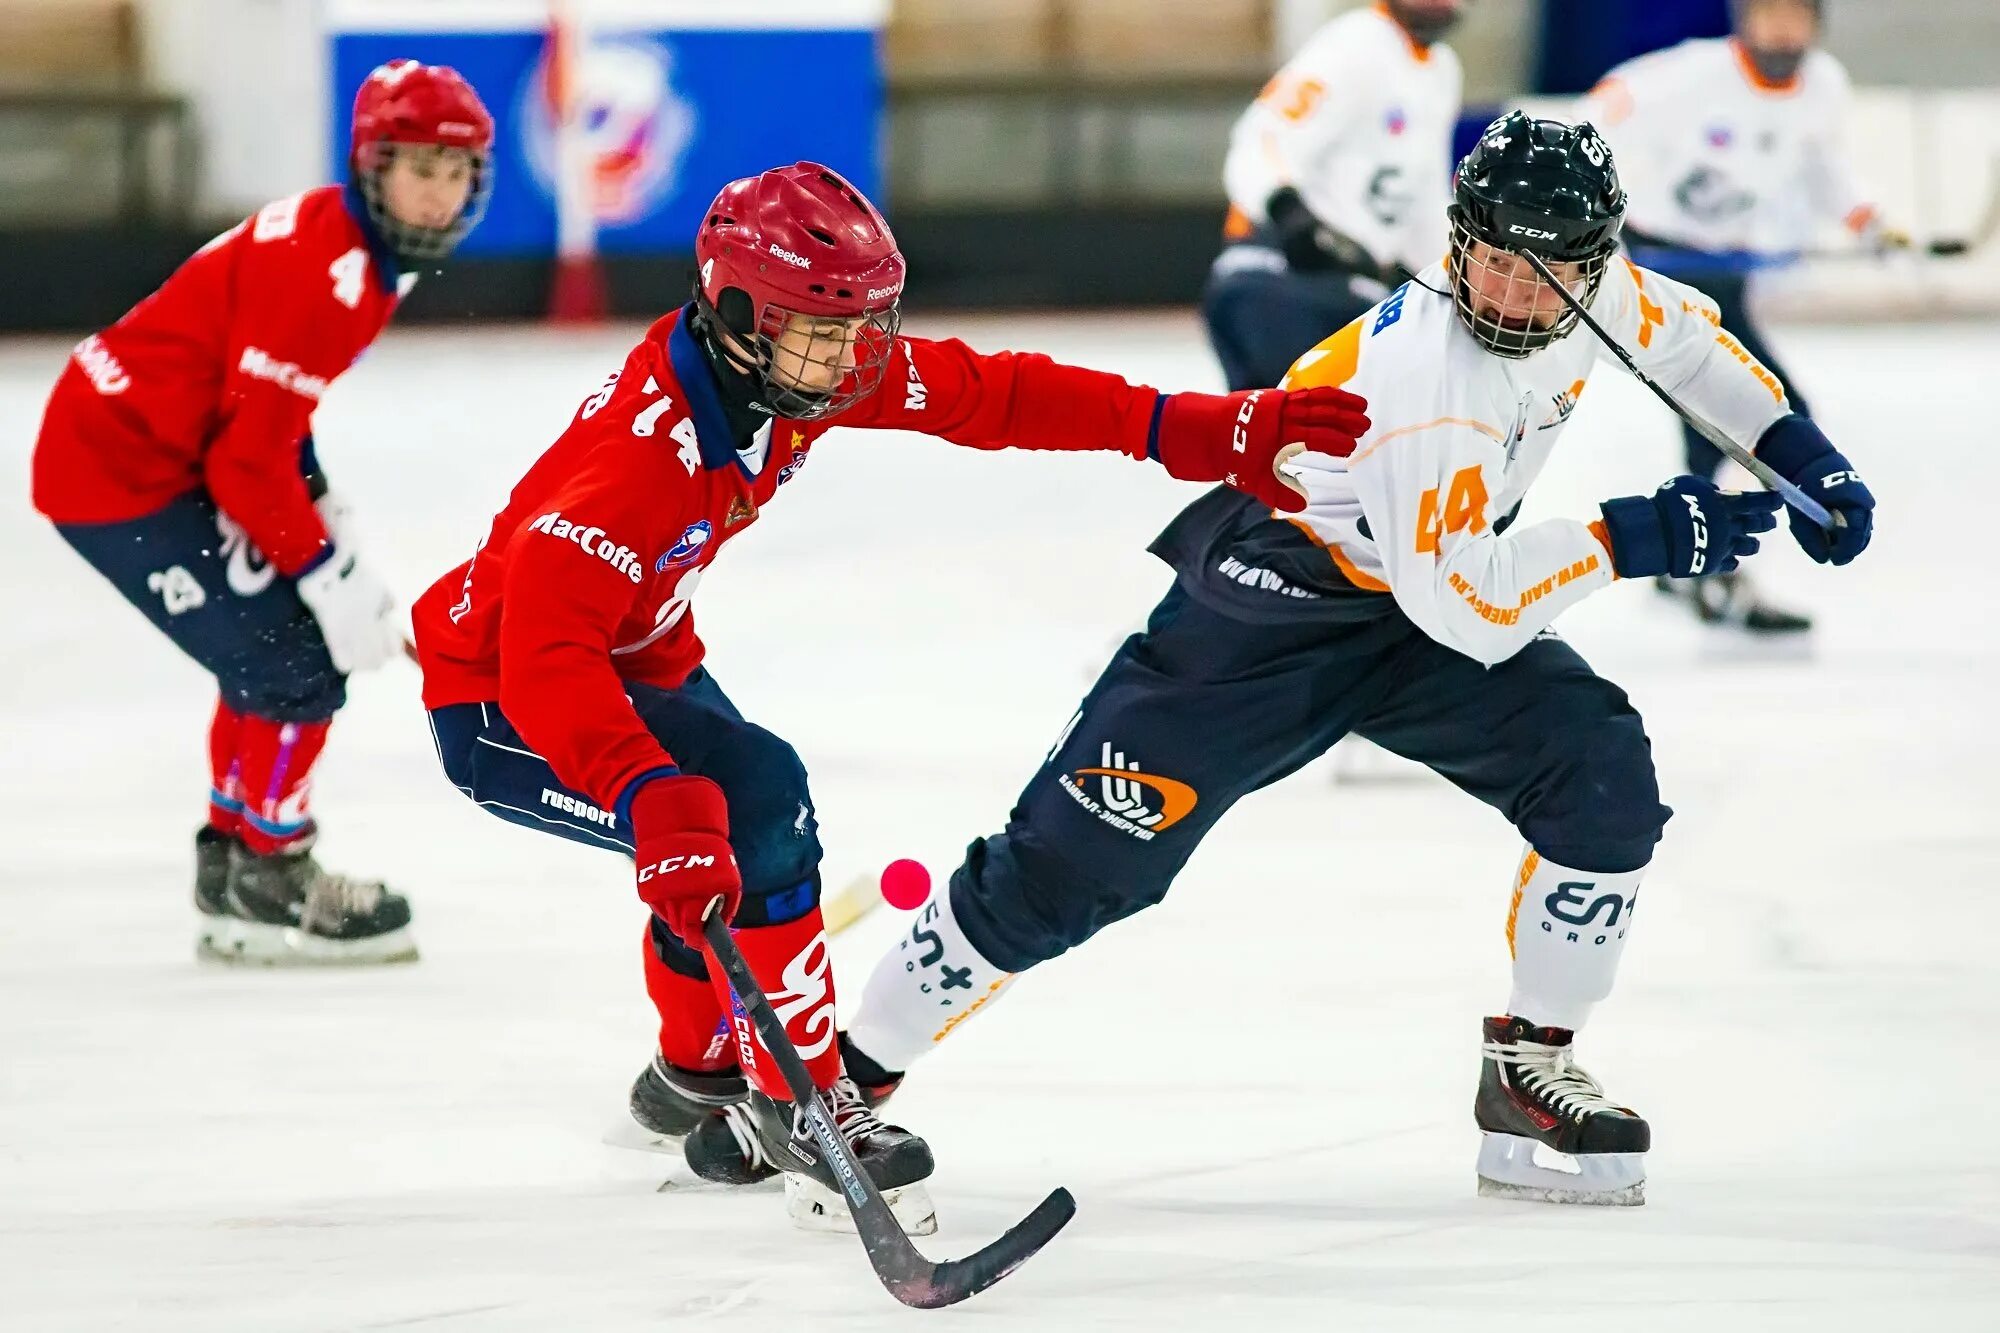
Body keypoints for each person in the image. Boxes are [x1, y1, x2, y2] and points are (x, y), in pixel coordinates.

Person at [836, 114, 1876, 1207]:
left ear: (1592, 262)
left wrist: (1798, 455)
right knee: (1068, 870)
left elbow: (1690, 348)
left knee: (1600, 775)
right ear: (1460, 240)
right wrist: (1627, 540)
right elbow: (1467, 608)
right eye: (1495, 263)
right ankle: (840, 1080)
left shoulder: (1585, 283)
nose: (1520, 295)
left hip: (1416, 592)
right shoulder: (1423, 382)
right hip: (1274, 608)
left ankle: (1530, 1063)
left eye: (1554, 274)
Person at [409, 161, 1370, 1233]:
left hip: (642, 656)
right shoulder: (643, 459)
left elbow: (991, 393)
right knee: (754, 805)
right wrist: (644, 790)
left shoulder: (781, 363)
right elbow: (544, 653)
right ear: (733, 310)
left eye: (867, 326)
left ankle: (693, 1073)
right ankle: (805, 1102)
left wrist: (1195, 427)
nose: (856, 359)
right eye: (830, 334)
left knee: (729, 841)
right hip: (504, 702)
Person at [31, 60, 494, 965]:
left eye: (455, 174)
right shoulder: (336, 273)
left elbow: (269, 419)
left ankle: (234, 865)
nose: (438, 195)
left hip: (154, 447)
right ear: (372, 164)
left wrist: (324, 516)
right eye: (419, 169)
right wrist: (327, 571)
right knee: (293, 663)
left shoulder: (352, 244)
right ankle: (271, 874)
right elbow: (246, 459)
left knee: (272, 656)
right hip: (118, 470)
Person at [1584, 0, 1898, 633]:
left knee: (1719, 415)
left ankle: (1693, 558)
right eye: (1768, 13)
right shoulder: (1690, 75)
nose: (1781, 29)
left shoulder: (1824, 85)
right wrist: (1597, 222)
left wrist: (1866, 219)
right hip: (1666, 270)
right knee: (1765, 412)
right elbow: (1599, 115)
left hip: (1726, 273)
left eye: (1795, 15)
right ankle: (1700, 559)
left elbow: (1821, 166)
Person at [1204, 0, 1464, 391]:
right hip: (1278, 277)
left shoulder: (1442, 71)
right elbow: (1261, 138)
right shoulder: (1354, 46)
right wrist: (1292, 215)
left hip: (1353, 291)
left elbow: (1425, 204)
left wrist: (1461, 279)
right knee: (1313, 432)